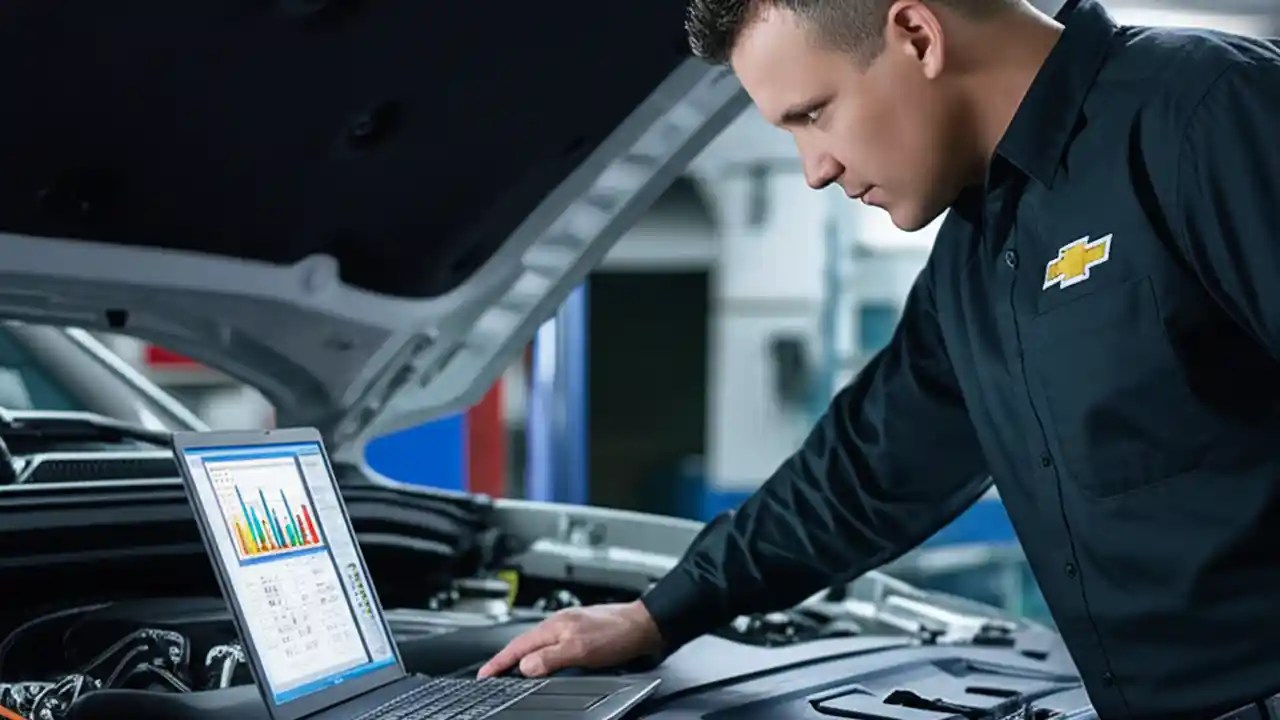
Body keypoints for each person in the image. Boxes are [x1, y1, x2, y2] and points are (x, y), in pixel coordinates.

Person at [480, 0, 1280, 717]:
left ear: (917, 34)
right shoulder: (976, 251)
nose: (815, 168)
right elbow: (869, 470)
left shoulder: (1210, 115)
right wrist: (659, 614)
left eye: (814, 114)